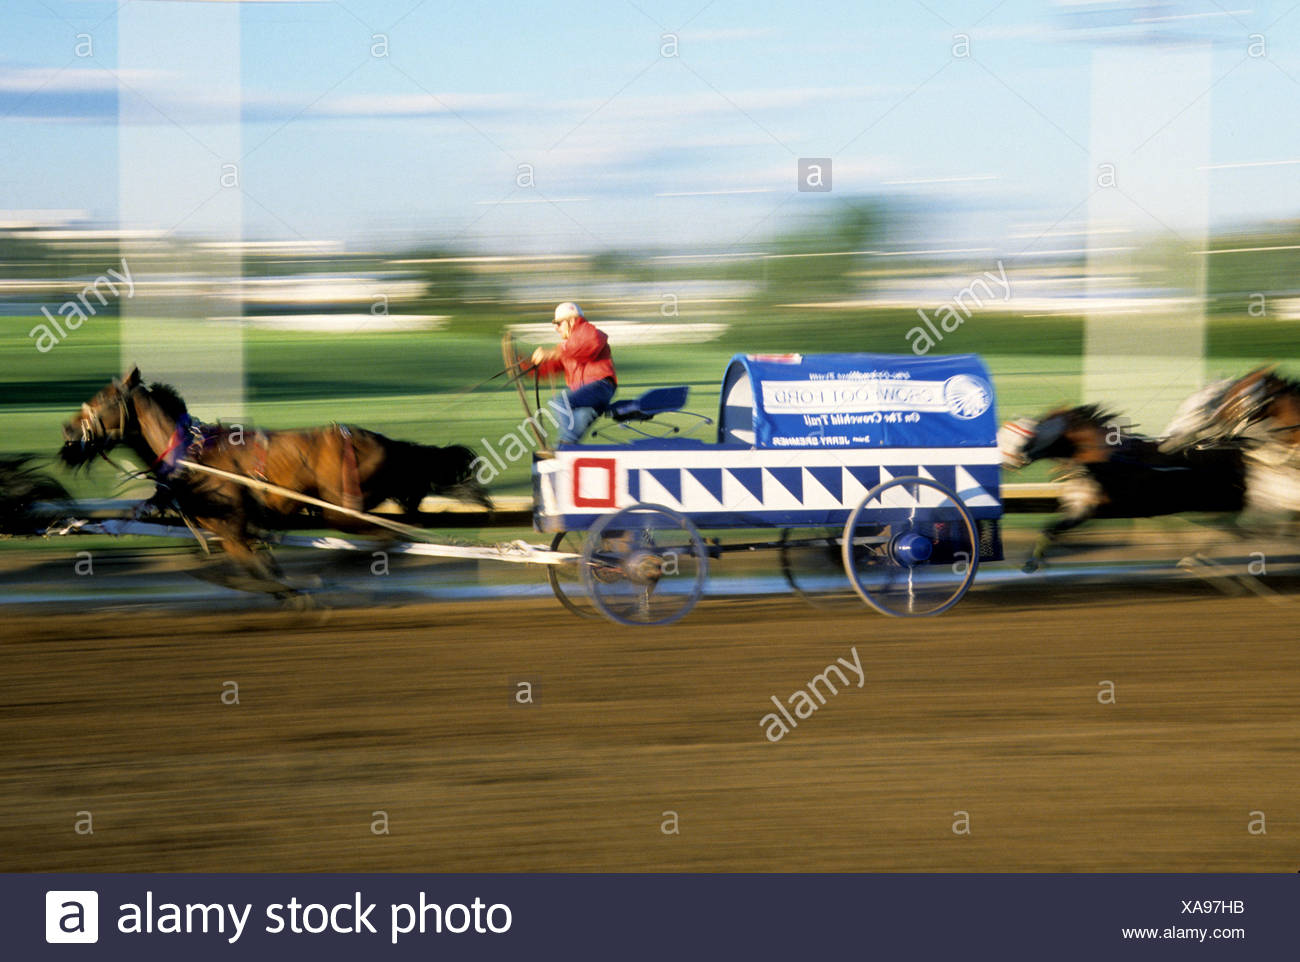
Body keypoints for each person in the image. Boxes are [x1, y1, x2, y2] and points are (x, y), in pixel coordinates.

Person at [528, 302, 617, 445]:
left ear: (571, 321)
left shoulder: (588, 331)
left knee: (561, 402)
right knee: (569, 440)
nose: (556, 328)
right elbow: (554, 365)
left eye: (558, 323)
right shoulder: (568, 346)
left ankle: (565, 448)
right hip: (585, 398)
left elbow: (588, 344)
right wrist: (529, 367)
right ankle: (564, 453)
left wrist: (551, 353)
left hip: (601, 387)